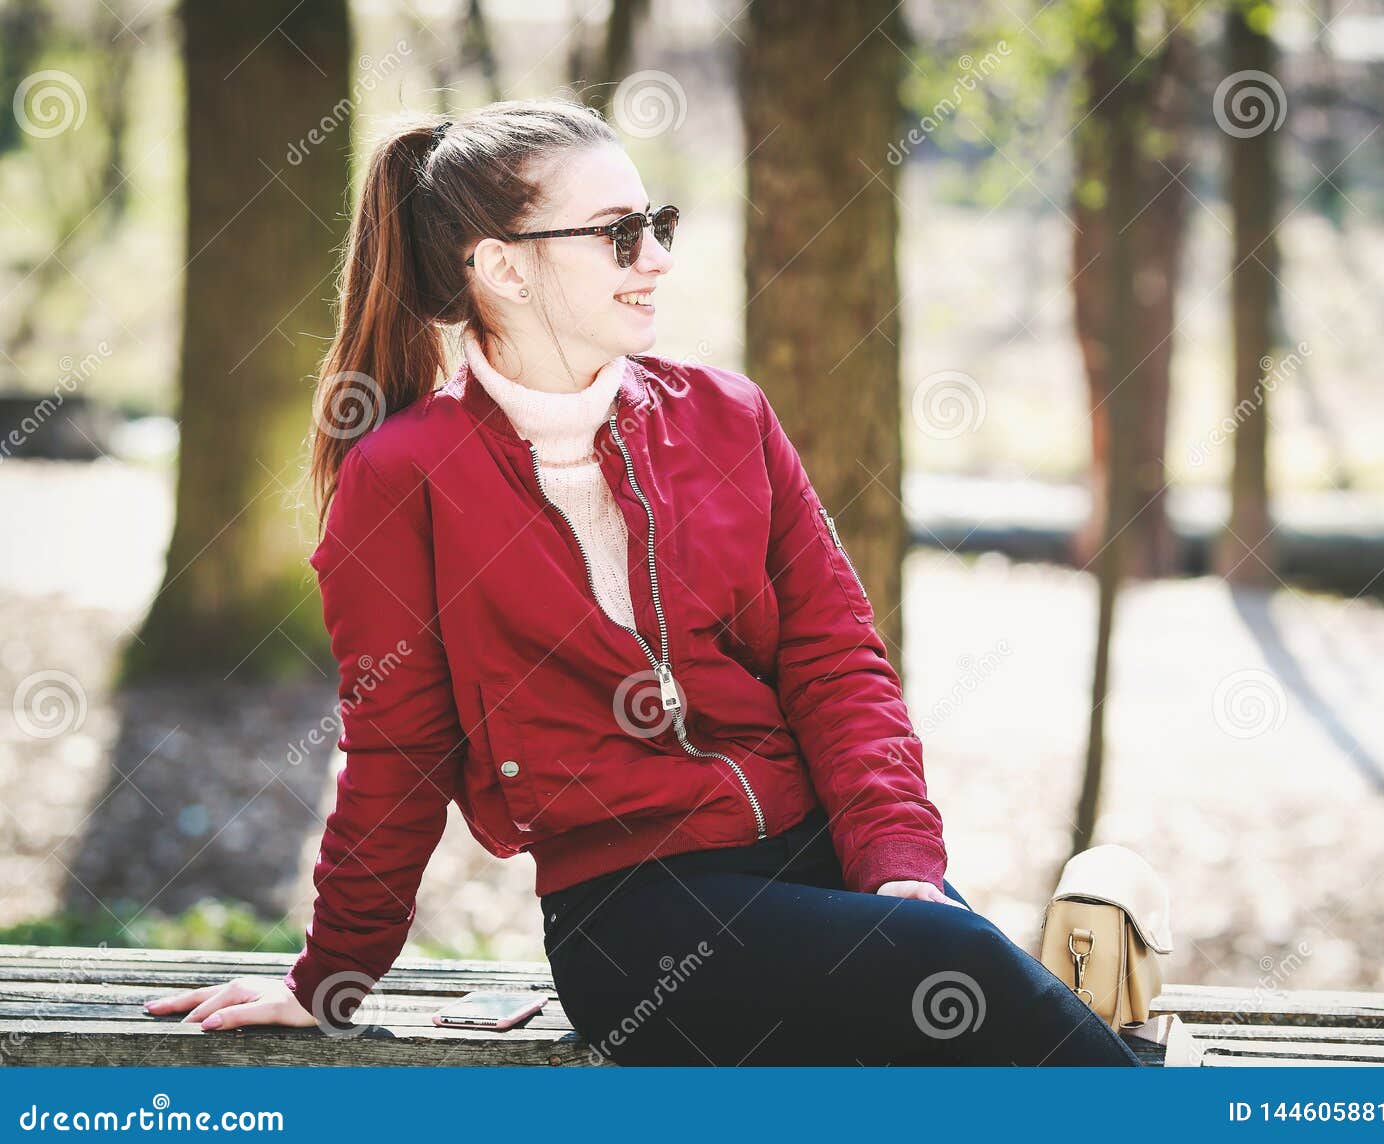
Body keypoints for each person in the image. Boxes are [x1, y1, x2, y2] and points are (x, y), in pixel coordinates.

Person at [143, 98, 1141, 1067]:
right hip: (633, 913)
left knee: (975, 1019)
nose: (657, 257)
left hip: (813, 849)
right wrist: (333, 976)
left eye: (656, 224)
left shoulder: (728, 417)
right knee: (967, 973)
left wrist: (897, 861)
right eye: (620, 234)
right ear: (500, 268)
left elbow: (834, 659)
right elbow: (396, 745)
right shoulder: (403, 476)